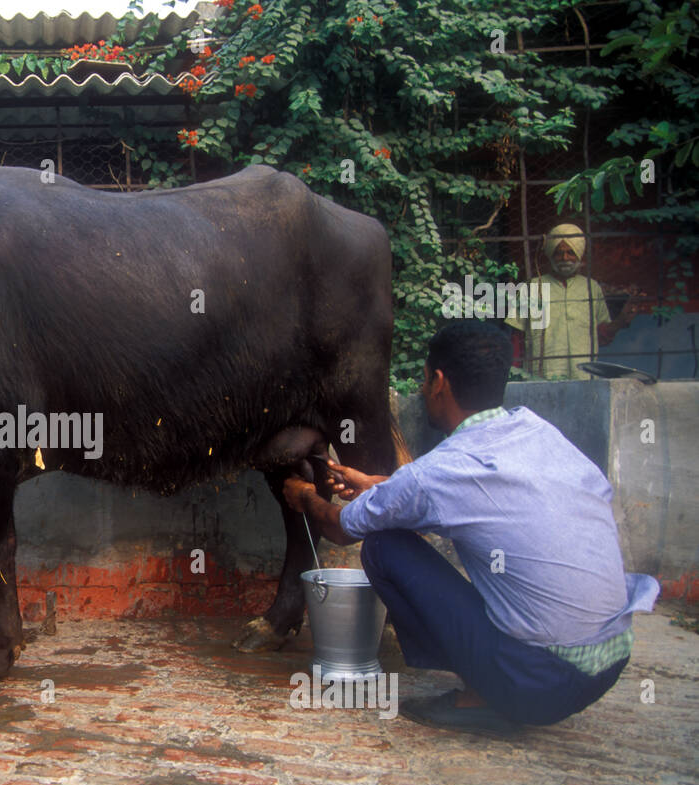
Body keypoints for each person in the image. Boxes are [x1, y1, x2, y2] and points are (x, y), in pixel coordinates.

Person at [282, 321, 658, 735]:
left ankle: (482, 695)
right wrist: (374, 485)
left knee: (384, 545)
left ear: (440, 382)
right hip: (609, 663)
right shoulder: (535, 432)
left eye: (425, 380)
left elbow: (340, 527)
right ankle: (496, 682)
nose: (424, 390)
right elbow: (466, 489)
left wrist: (302, 494)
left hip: (541, 684)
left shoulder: (443, 470)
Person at [505, 223, 615, 380]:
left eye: (571, 252)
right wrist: (514, 374)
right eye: (559, 253)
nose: (565, 258)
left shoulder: (591, 287)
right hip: (542, 375)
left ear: (579, 254)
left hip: (583, 375)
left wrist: (622, 322)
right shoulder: (533, 287)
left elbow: (602, 334)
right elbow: (517, 338)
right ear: (550, 255)